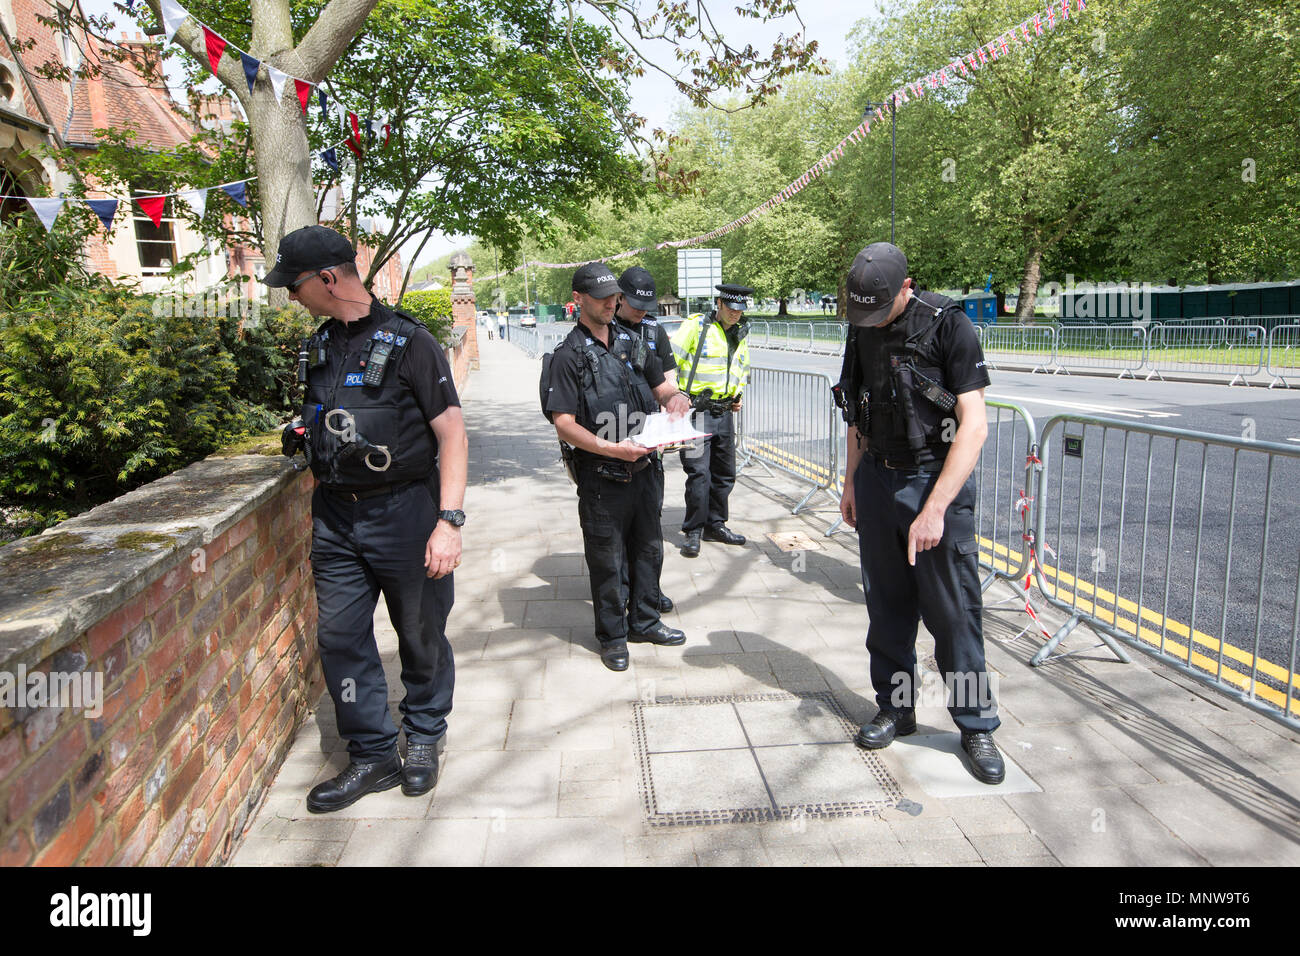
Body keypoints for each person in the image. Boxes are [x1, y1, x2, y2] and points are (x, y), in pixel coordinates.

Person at [269, 225, 468, 812]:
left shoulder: (411, 343)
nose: (290, 296)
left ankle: (425, 735)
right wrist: (304, 433)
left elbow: (451, 432)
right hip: (334, 515)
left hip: (406, 512)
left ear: (327, 278)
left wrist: (449, 521)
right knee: (341, 637)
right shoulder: (319, 346)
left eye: (295, 285)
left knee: (420, 630)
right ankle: (374, 753)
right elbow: (327, 415)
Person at [835, 241, 1004, 785]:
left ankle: (975, 724)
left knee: (954, 616)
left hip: (936, 482)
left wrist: (933, 511)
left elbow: (974, 426)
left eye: (878, 309)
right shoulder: (862, 325)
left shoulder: (949, 327)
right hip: (878, 479)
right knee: (887, 609)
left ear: (906, 289)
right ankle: (898, 707)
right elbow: (856, 412)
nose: (869, 320)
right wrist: (851, 482)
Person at [544, 263, 692, 671]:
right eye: (602, 298)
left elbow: (663, 387)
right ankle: (612, 636)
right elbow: (564, 423)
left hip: (645, 468)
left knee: (648, 550)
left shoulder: (631, 341)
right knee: (607, 561)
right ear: (578, 300)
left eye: (614, 297)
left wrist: (676, 403)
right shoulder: (567, 357)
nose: (611, 303)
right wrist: (610, 450)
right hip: (602, 478)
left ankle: (645, 620)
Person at [669, 283, 752, 558]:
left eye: (740, 309)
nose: (735, 314)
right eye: (731, 308)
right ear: (719, 303)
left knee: (725, 473)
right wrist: (676, 396)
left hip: (724, 413)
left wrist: (738, 394)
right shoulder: (697, 326)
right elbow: (671, 364)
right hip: (696, 414)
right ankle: (693, 530)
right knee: (699, 474)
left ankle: (715, 524)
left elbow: (740, 368)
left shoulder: (740, 333)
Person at [614, 265, 675, 614]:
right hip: (614, 434)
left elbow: (668, 378)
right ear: (618, 297)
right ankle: (622, 589)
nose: (640, 310)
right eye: (634, 303)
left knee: (650, 520)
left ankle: (648, 590)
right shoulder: (605, 329)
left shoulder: (654, 330)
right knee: (618, 523)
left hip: (650, 439)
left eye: (646, 305)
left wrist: (672, 416)